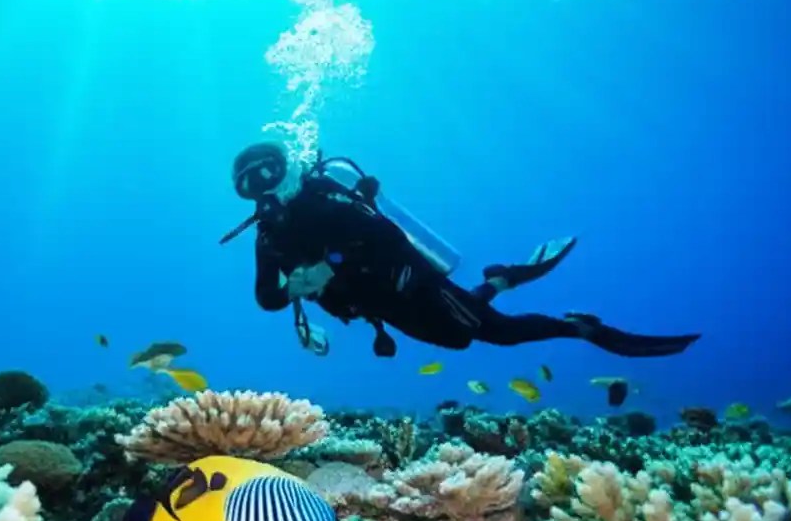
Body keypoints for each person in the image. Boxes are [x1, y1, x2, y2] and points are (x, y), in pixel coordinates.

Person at [220, 141, 700, 358]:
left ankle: (582, 328)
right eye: (249, 185)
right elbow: (266, 298)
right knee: (458, 339)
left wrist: (332, 264)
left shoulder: (326, 199)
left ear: (286, 166)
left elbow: (387, 236)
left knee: (499, 333)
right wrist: (294, 290)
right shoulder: (268, 234)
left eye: (268, 171)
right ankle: (500, 279)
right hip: (377, 307)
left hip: (411, 283)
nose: (264, 187)